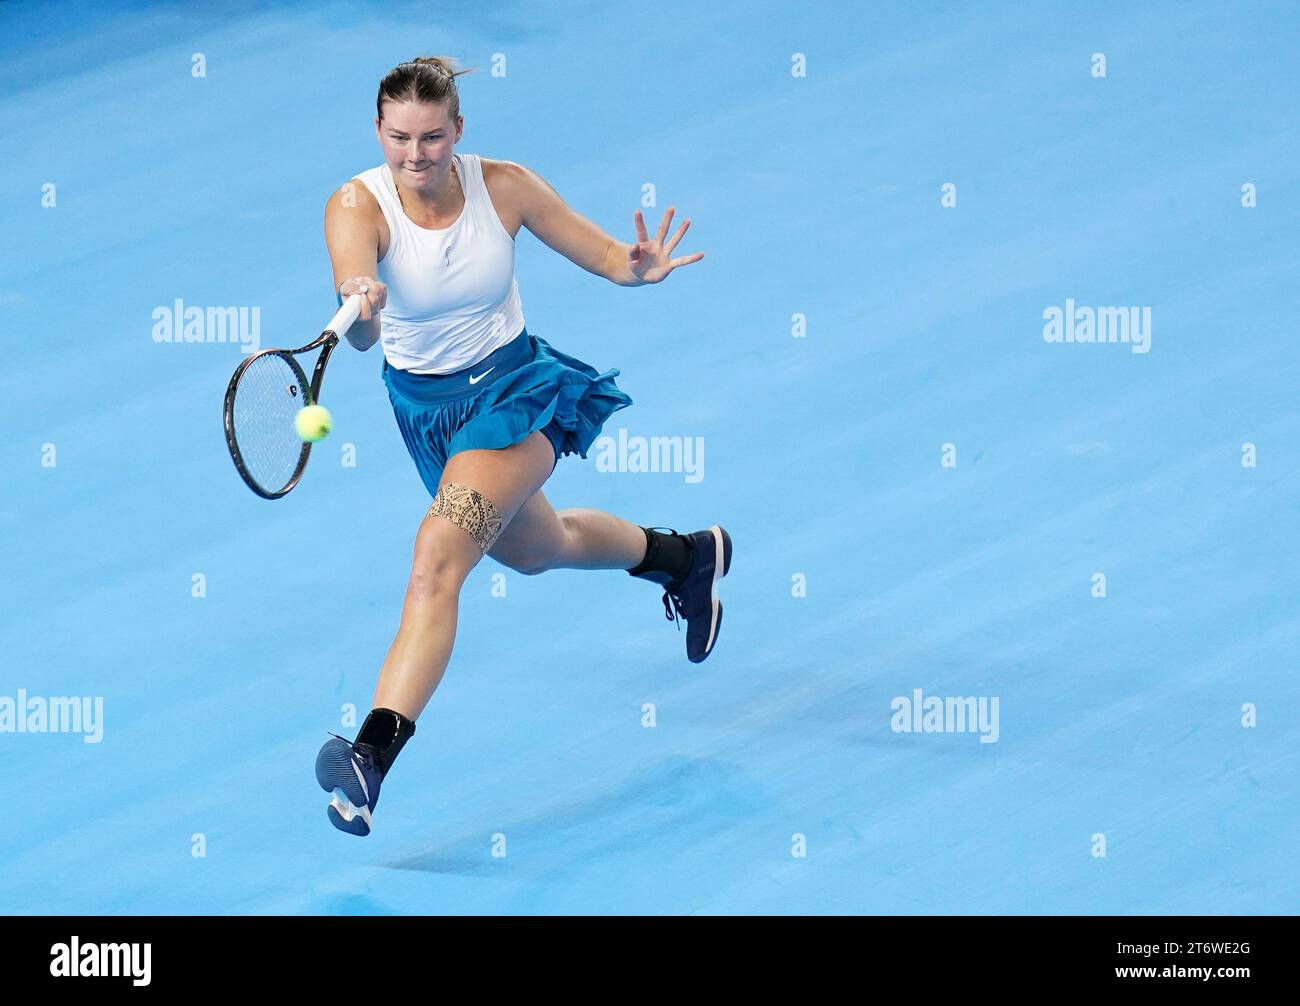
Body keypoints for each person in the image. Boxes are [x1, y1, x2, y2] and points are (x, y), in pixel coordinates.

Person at [314, 57, 733, 836]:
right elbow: (366, 331)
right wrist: (362, 301)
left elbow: (609, 256)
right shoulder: (354, 205)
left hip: (516, 396)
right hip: (427, 418)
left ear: (458, 131)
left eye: (433, 137)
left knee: (437, 558)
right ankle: (685, 557)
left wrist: (637, 270)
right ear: (378, 132)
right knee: (542, 547)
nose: (416, 155)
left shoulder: (504, 185)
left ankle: (372, 753)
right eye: (400, 137)